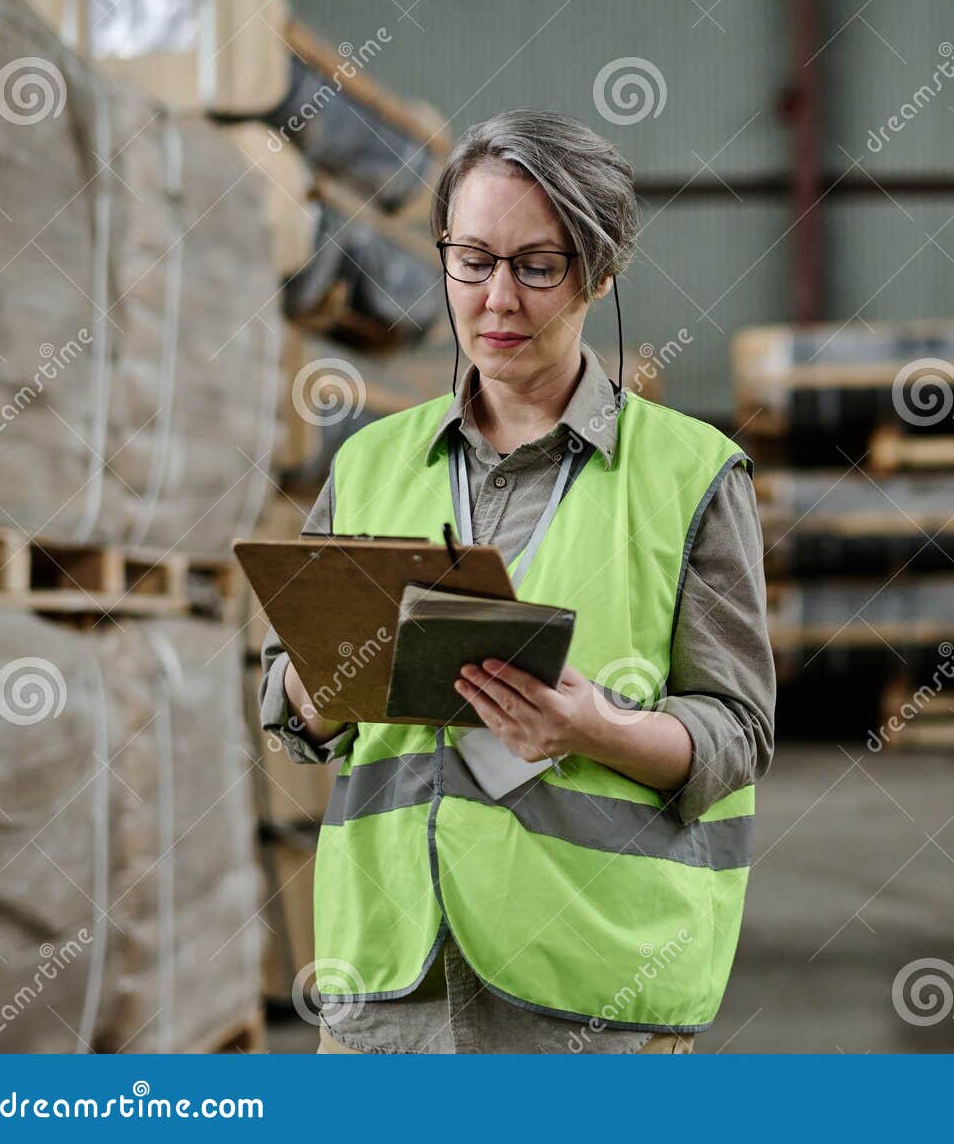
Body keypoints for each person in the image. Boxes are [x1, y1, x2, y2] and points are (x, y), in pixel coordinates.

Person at [258, 110, 775, 1054]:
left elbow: (737, 734)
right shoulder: (371, 465)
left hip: (590, 998)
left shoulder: (691, 476)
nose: (497, 299)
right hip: (387, 991)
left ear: (602, 271)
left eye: (539, 266)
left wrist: (597, 728)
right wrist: (320, 684)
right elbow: (292, 712)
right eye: (472, 260)